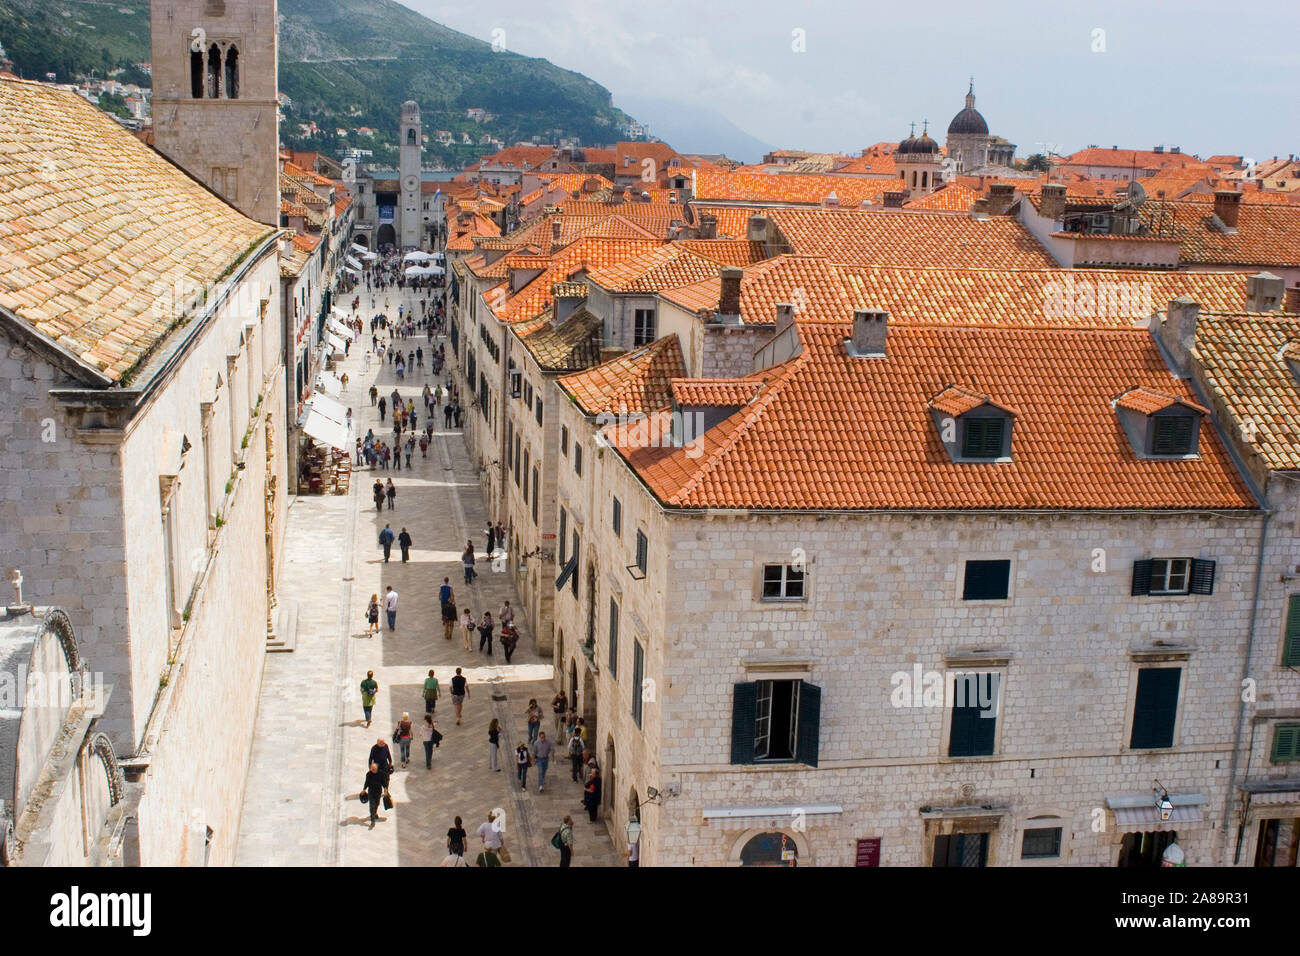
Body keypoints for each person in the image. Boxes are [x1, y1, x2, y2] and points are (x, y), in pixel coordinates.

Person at [362, 762, 386, 829]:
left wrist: (385, 789)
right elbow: (366, 782)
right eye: (372, 769)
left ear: (377, 769)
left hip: (378, 792)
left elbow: (384, 782)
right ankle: (373, 820)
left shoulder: (381, 773)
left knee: (377, 803)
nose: (373, 770)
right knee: (372, 805)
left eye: (374, 769)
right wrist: (364, 789)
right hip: (371, 792)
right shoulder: (369, 774)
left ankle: (374, 813)